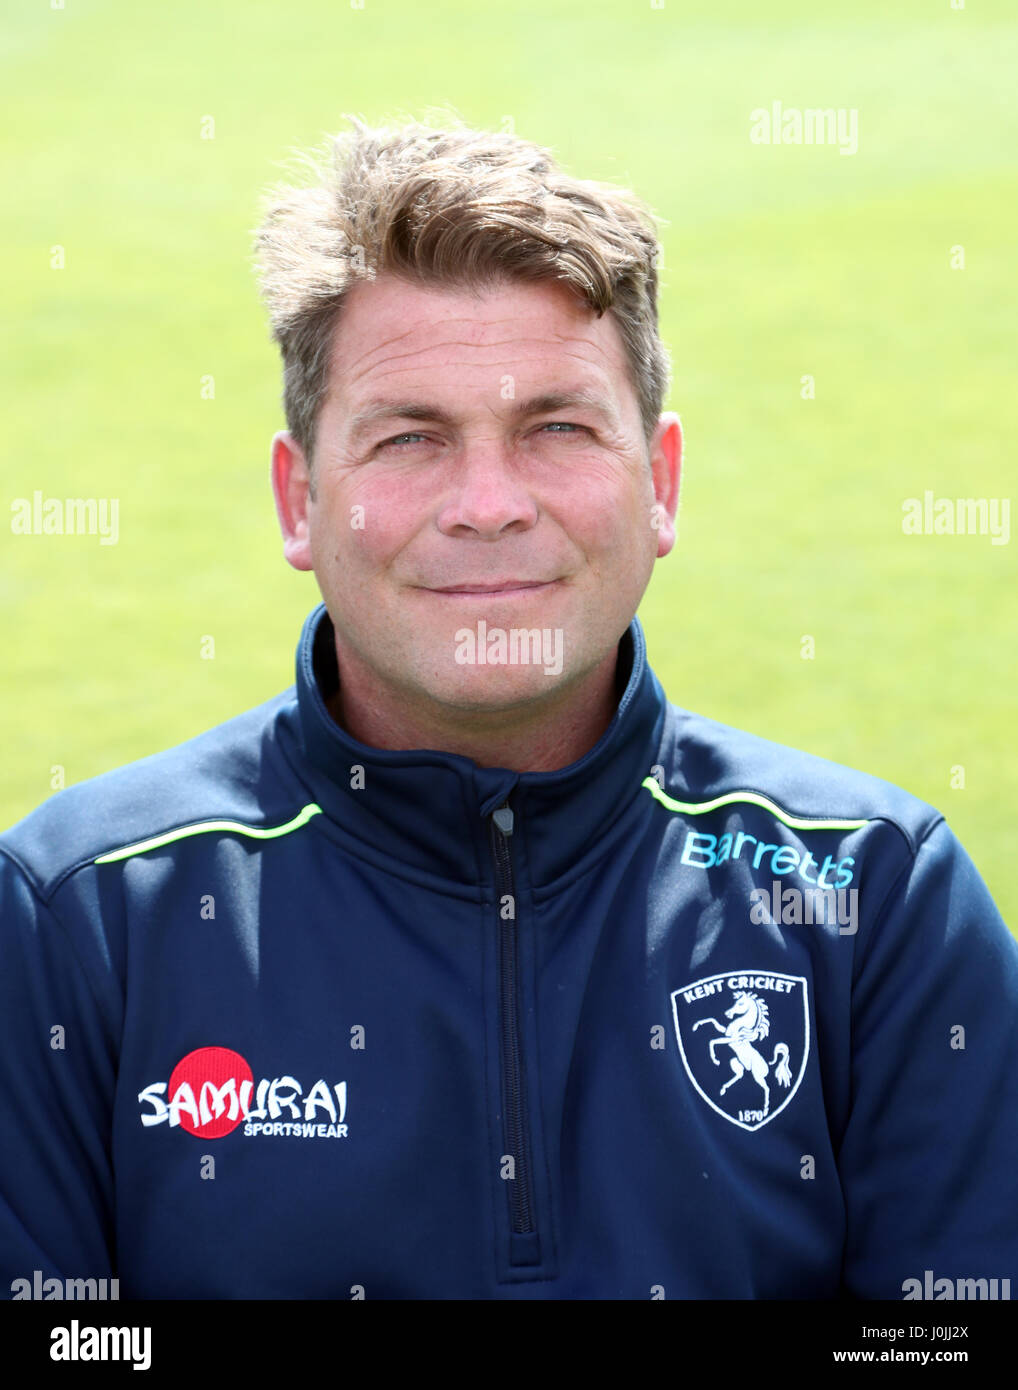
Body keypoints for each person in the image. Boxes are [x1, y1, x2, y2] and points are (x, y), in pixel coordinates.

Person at [2, 116, 1015, 1302]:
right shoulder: (79, 917)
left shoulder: (874, 893)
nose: (489, 504)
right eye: (411, 438)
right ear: (300, 498)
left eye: (556, 427)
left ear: (662, 484)